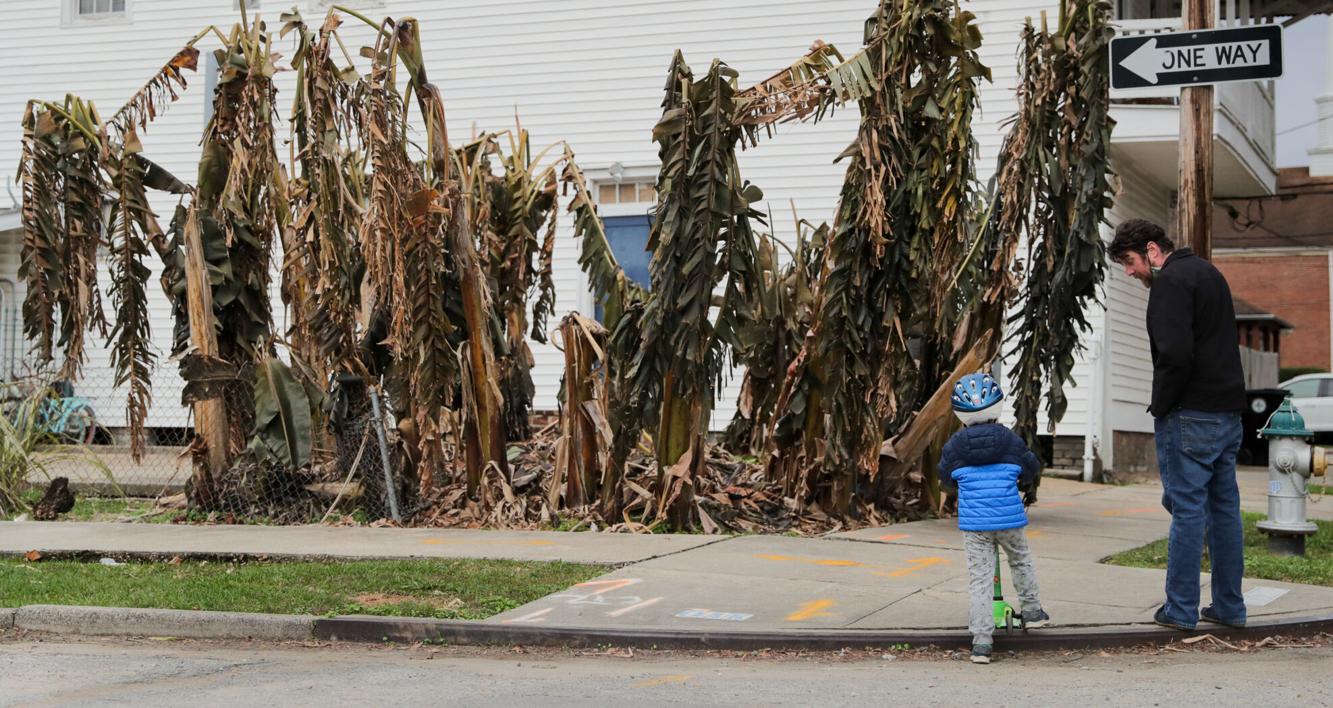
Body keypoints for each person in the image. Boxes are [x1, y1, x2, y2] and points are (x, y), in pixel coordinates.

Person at [1108, 218, 1248, 631]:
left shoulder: (1170, 282)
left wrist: (1161, 406)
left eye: (1131, 262)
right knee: (1225, 512)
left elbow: (1174, 355)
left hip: (1190, 415)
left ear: (1153, 251)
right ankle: (1229, 607)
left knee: (1186, 511)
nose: (1130, 272)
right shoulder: (1209, 273)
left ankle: (1181, 610)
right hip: (1228, 413)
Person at [939, 372, 1050, 664]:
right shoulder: (1009, 439)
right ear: (997, 407)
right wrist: (1022, 480)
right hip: (1009, 519)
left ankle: (981, 642)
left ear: (959, 413)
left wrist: (958, 487)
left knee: (980, 578)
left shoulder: (955, 445)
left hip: (975, 525)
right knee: (1020, 559)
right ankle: (1032, 611)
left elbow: (944, 477)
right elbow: (1030, 467)